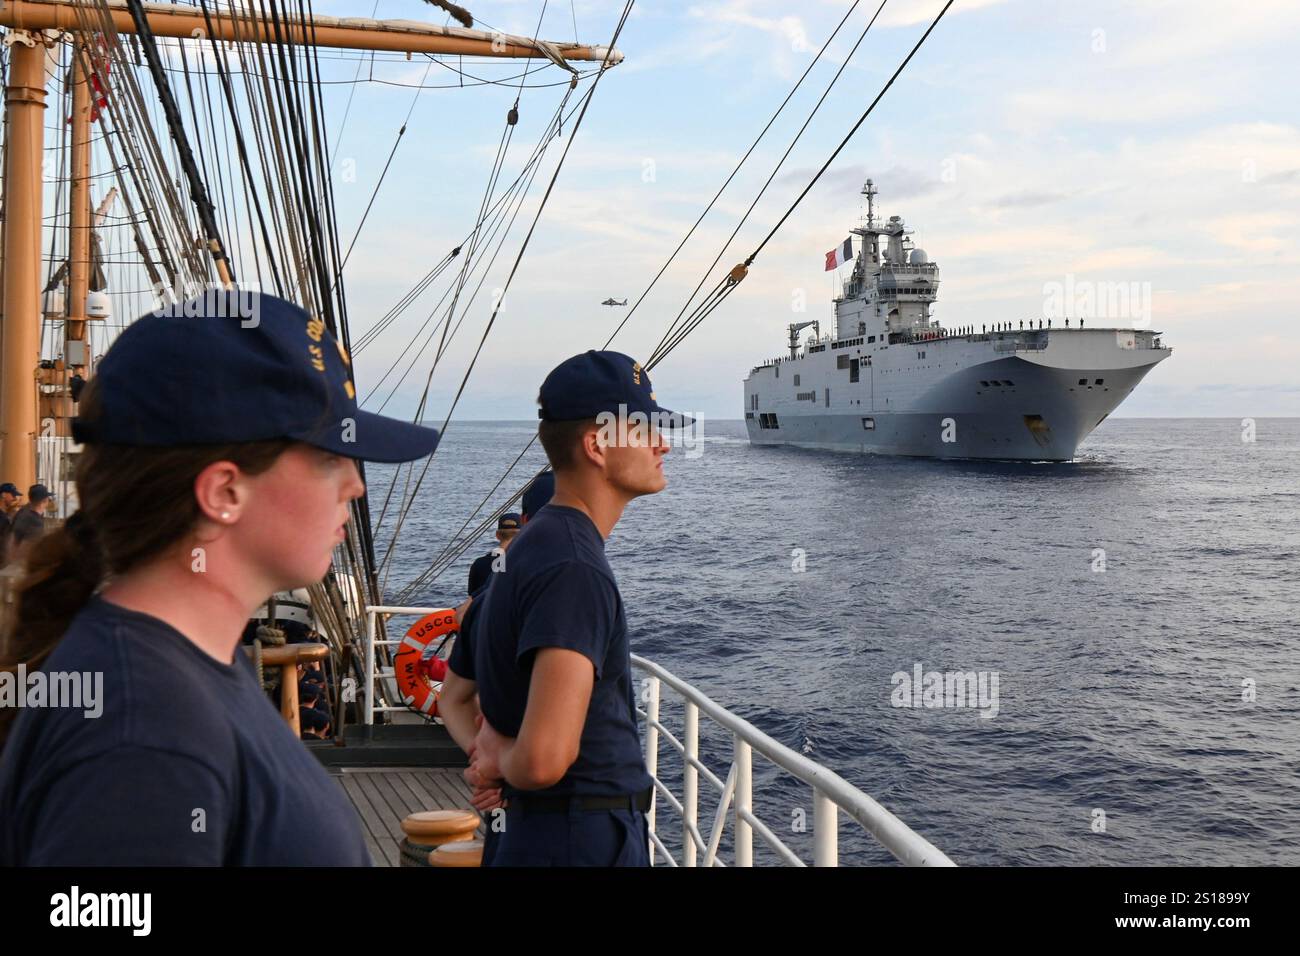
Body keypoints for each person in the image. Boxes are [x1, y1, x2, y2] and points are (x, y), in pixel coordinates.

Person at [0, 290, 440, 865]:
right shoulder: (145, 737)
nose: (355, 486)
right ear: (224, 492)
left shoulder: (180, 669)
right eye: (331, 458)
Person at [468, 350, 688, 867]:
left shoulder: (538, 543)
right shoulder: (574, 567)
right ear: (596, 446)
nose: (664, 443)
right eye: (644, 429)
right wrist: (502, 758)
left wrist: (499, 754)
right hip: (579, 839)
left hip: (546, 831)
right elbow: (544, 759)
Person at [441, 472, 554, 865]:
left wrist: (486, 762)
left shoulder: (482, 597)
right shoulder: (562, 590)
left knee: (501, 841)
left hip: (505, 785)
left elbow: (452, 699)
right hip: (550, 803)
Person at [466, 512, 521, 595]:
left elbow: (472, 597)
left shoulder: (479, 564)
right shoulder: (528, 565)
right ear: (522, 535)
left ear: (497, 535)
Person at [7, 485, 53, 563]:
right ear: (44, 501)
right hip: (21, 563)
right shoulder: (35, 522)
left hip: (12, 559)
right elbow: (32, 548)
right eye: (48, 498)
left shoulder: (23, 511)